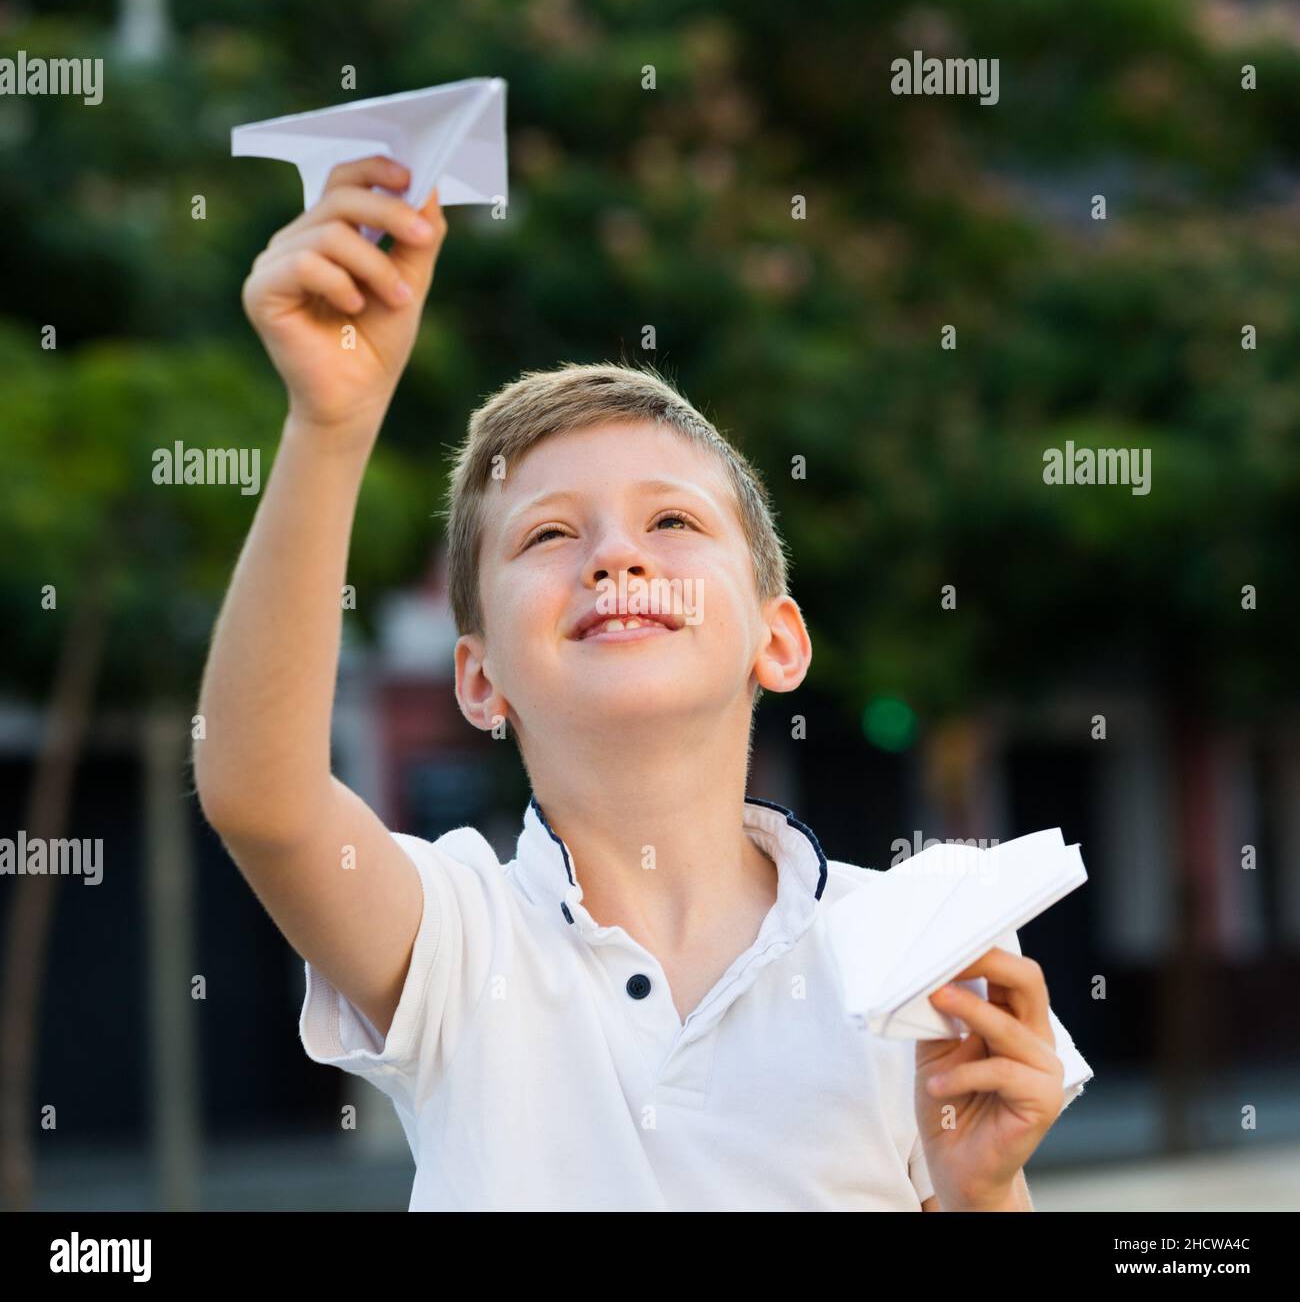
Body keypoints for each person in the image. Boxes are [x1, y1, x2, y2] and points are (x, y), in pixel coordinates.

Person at [194, 155, 1089, 1211]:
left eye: (671, 520)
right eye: (549, 533)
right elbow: (262, 795)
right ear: (479, 681)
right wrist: (331, 423)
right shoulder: (458, 934)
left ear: (778, 639)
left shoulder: (906, 945)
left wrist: (983, 1190)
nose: (616, 557)